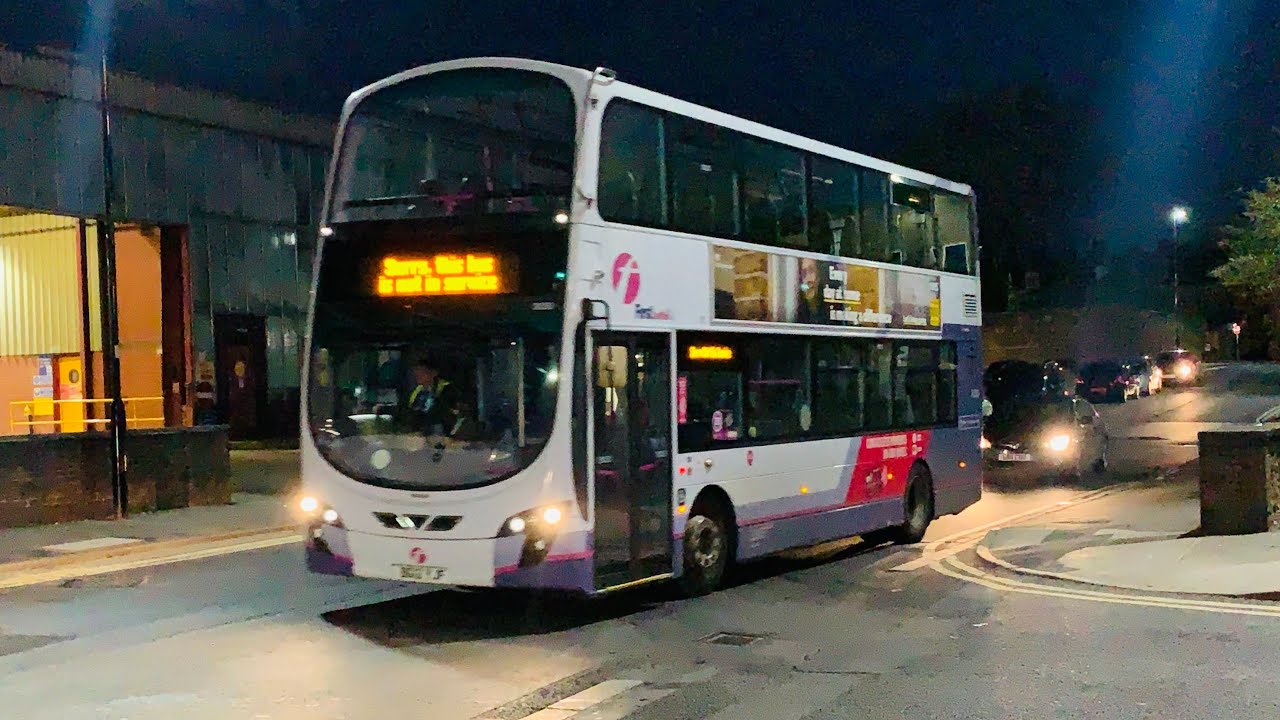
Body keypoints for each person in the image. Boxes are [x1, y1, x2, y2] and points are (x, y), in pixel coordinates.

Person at [405, 357, 461, 435]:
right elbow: (411, 412)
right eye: (416, 371)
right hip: (419, 434)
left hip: (442, 433)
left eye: (422, 372)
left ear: (434, 373)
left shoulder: (447, 389)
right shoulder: (417, 391)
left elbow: (443, 412)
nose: (418, 375)